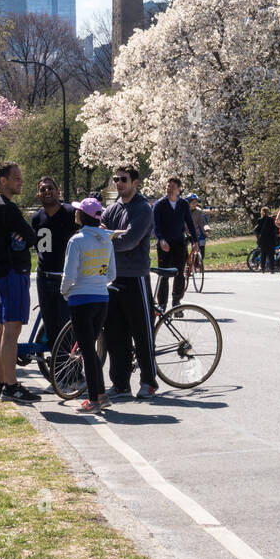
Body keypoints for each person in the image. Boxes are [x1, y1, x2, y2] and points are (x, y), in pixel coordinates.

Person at [0, 162, 41, 404]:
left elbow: (26, 234)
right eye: (16, 178)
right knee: (12, 331)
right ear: (2, 181)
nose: (20, 182)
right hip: (12, 272)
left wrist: (22, 236)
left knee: (2, 329)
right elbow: (30, 234)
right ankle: (11, 385)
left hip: (3, 273)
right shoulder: (5, 208)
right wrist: (23, 237)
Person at [101, 165, 158, 400]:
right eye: (116, 179)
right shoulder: (112, 208)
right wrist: (114, 234)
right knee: (115, 334)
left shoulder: (143, 208)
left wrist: (109, 235)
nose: (119, 183)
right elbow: (99, 232)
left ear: (135, 182)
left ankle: (149, 382)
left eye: (123, 179)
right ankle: (121, 383)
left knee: (142, 333)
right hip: (112, 277)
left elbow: (130, 241)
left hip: (135, 277)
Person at [60, 197, 116, 414]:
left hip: (80, 300)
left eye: (77, 211)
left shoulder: (77, 240)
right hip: (101, 298)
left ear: (82, 216)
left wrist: (65, 291)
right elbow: (112, 273)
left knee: (87, 351)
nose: (75, 213)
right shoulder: (107, 240)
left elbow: (69, 274)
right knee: (90, 350)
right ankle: (100, 394)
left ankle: (93, 399)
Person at [31, 176, 78, 348]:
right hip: (44, 277)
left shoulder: (71, 213)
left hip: (66, 277)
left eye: (50, 188)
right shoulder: (36, 218)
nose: (47, 191)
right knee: (51, 328)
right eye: (42, 189)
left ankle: (72, 373)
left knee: (66, 327)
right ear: (38, 195)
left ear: (58, 192)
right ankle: (56, 371)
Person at [152, 178, 197, 307]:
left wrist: (195, 240)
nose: (169, 189)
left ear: (178, 189)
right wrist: (161, 239)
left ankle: (176, 302)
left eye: (172, 186)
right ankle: (162, 304)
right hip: (164, 244)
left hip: (179, 243)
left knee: (179, 273)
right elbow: (156, 225)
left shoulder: (183, 204)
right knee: (164, 274)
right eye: (168, 186)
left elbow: (190, 223)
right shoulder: (159, 204)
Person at [253, 207, 279, 273]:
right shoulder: (271, 220)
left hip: (263, 240)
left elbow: (257, 230)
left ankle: (263, 268)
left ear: (261, 212)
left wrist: (259, 235)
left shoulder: (260, 220)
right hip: (270, 239)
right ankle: (272, 269)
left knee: (263, 254)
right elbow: (274, 229)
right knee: (271, 255)